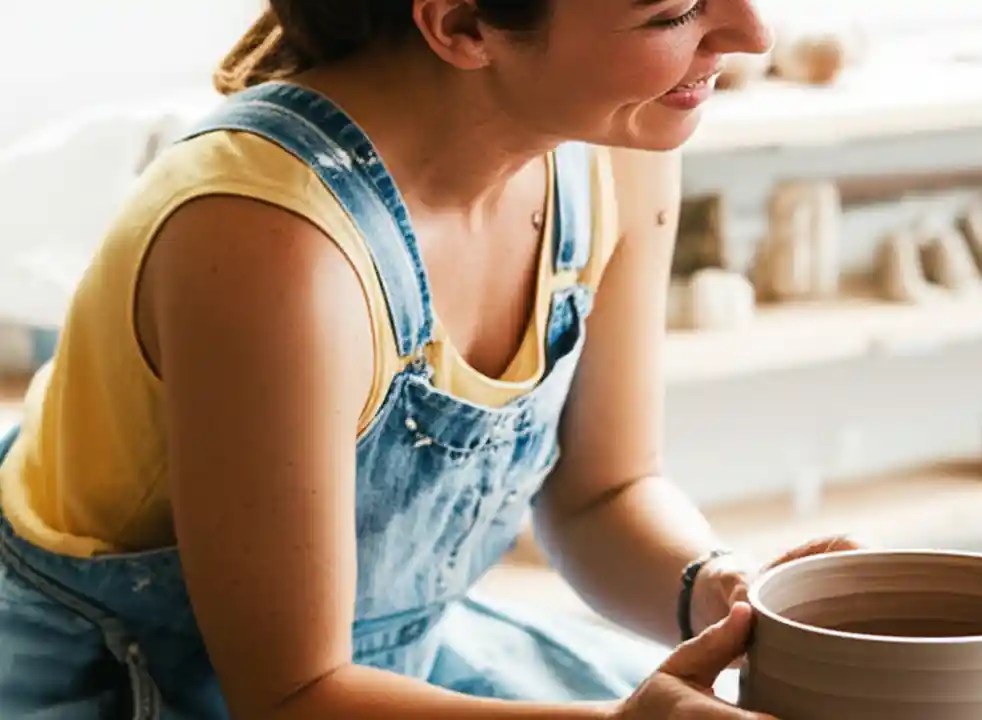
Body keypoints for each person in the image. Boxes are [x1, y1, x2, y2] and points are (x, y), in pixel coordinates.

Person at [0, 1, 857, 717]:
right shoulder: (270, 239)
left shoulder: (609, 151)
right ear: (461, 24)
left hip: (378, 669)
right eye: (673, 12)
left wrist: (714, 589)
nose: (753, 34)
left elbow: (604, 493)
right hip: (137, 682)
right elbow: (288, 693)